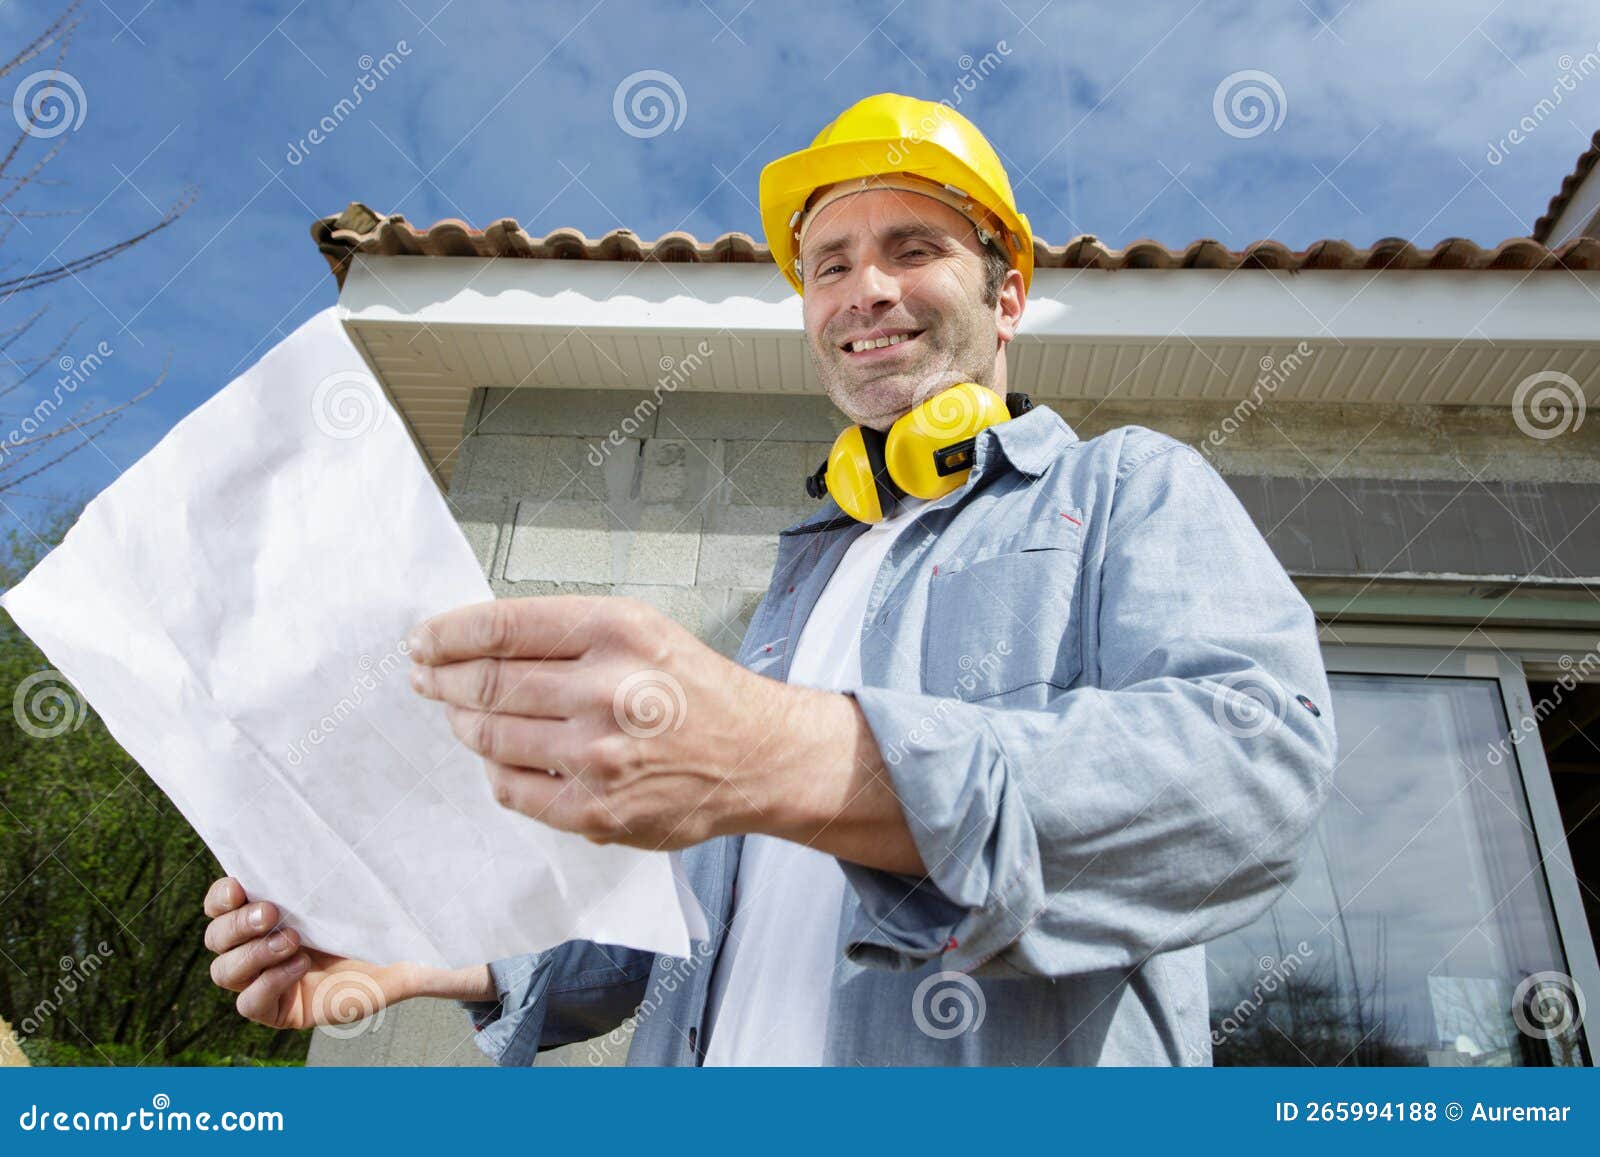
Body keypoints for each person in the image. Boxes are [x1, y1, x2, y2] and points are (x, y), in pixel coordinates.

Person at [202, 93, 1335, 1065]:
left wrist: (794, 754)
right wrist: (425, 947)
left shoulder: (1126, 487)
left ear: (1008, 294)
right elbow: (681, 929)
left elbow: (1251, 774)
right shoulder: (790, 599)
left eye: (913, 248)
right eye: (829, 265)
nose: (864, 288)